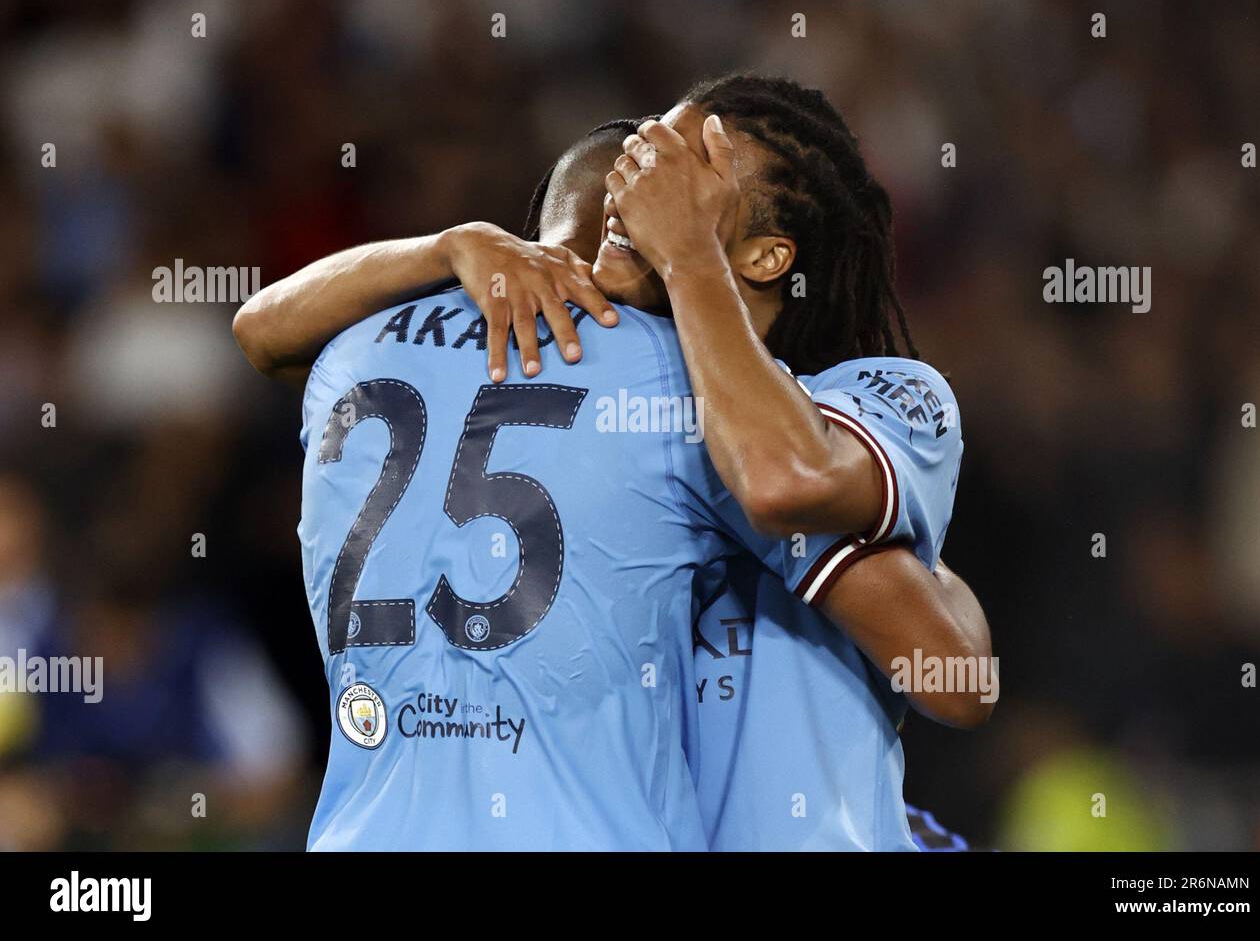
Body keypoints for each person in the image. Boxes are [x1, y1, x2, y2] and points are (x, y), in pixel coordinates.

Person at [234, 85, 992, 850]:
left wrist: (445, 247)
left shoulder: (362, 346)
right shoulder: (672, 395)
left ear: (769, 255)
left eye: (688, 172)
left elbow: (261, 331)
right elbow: (947, 668)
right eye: (645, 158)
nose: (649, 183)